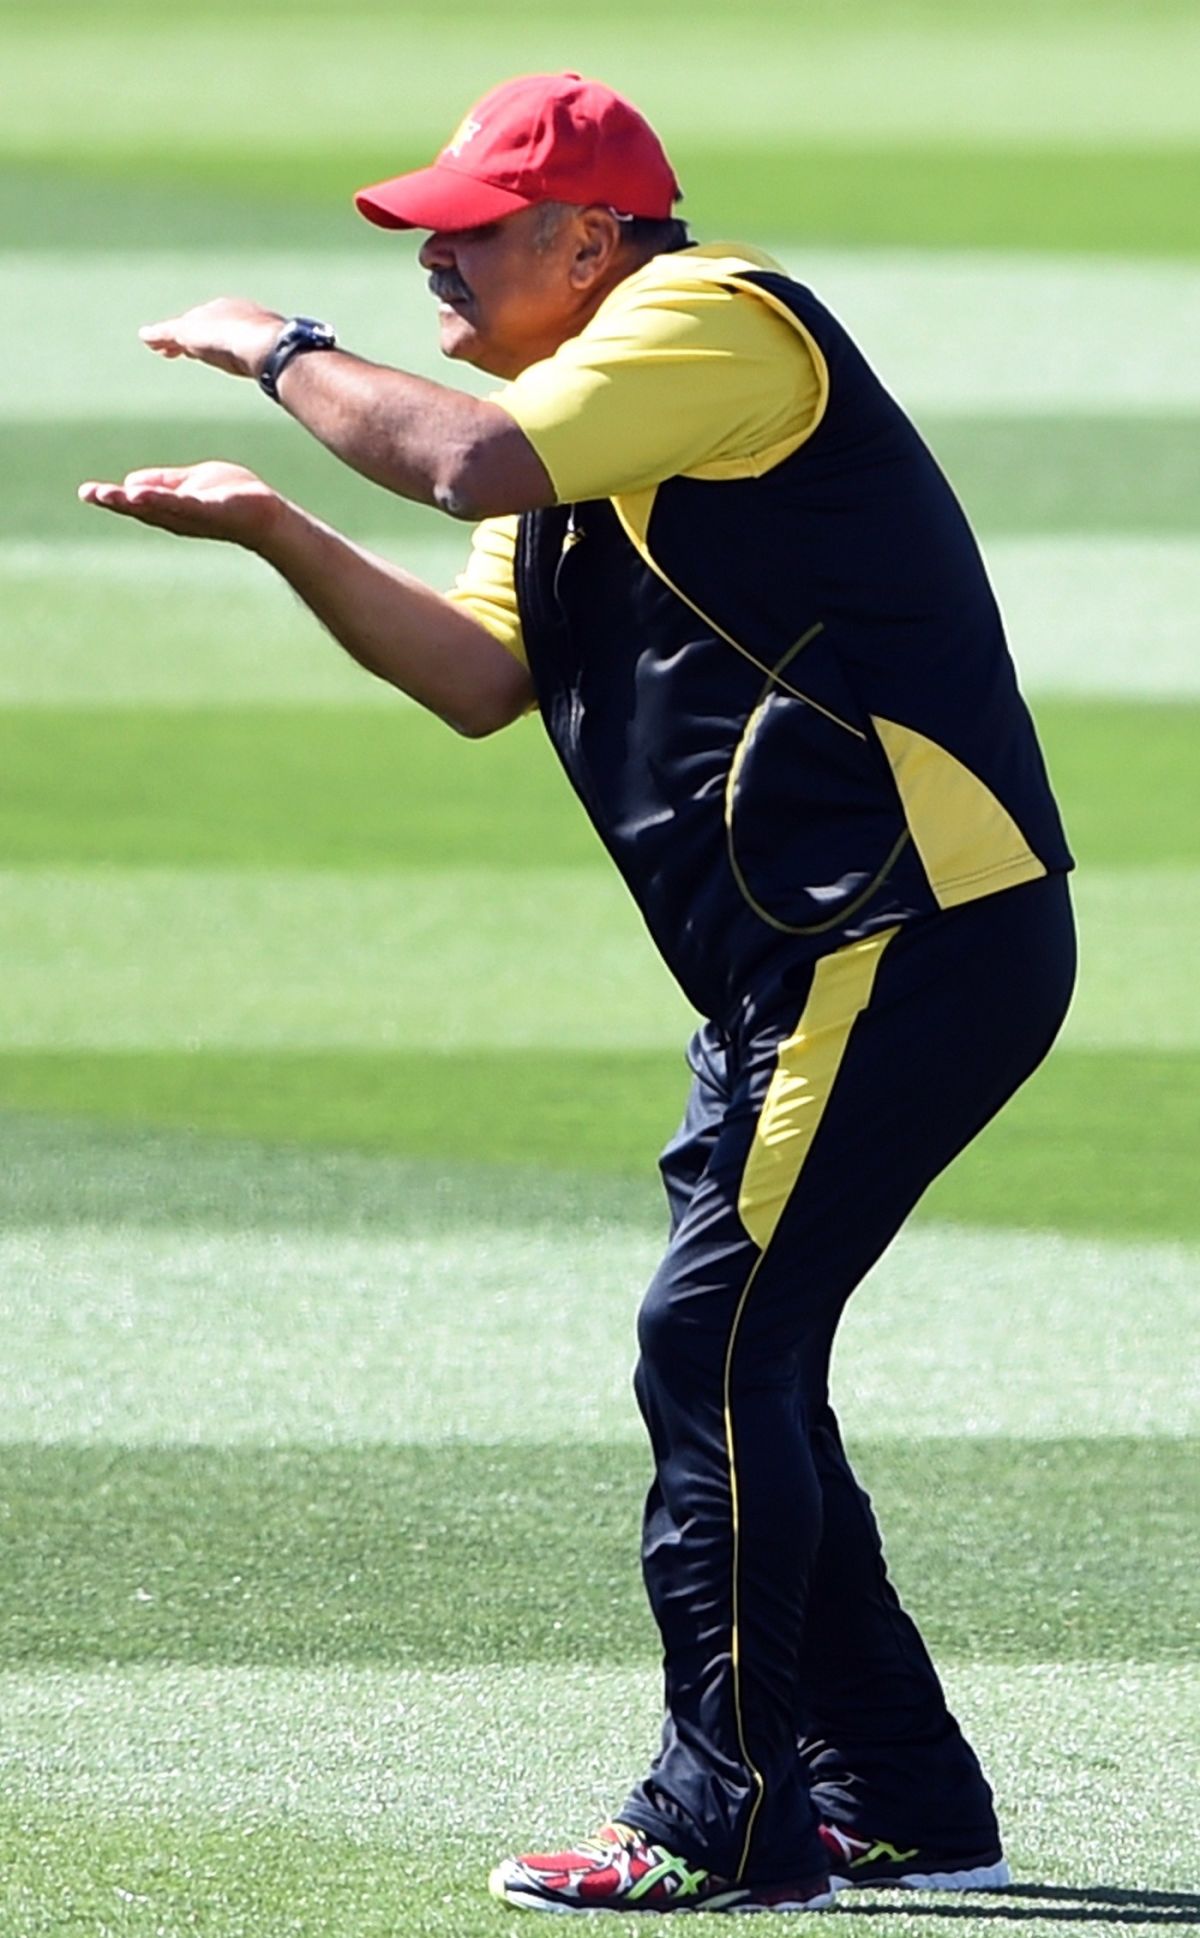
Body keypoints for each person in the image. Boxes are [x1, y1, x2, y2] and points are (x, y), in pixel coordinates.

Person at [80, 71, 1076, 1916]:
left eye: (469, 233)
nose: (433, 263)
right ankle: (904, 1796)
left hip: (909, 933)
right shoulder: (575, 428)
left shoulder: (709, 320)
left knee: (712, 1349)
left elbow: (463, 458)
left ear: (592, 241)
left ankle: (728, 1810)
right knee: (741, 1354)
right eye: (425, 239)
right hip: (806, 963)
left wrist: (276, 352)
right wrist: (279, 531)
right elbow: (477, 674)